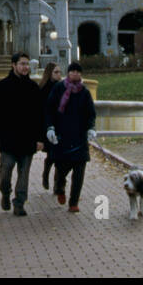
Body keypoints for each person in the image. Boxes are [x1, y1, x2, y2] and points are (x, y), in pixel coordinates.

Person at [0, 52, 44, 216]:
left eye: (27, 64)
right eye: (22, 64)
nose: (25, 67)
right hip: (8, 139)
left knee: (24, 174)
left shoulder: (33, 88)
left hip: (28, 139)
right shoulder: (2, 86)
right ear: (13, 65)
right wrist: (0, 132)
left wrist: (40, 138)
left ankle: (19, 203)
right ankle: (5, 193)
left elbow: (40, 115)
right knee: (5, 171)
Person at [45, 62, 97, 213]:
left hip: (80, 138)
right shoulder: (59, 89)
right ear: (68, 73)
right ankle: (60, 187)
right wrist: (50, 127)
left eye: (78, 72)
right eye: (72, 71)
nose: (75, 74)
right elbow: (49, 109)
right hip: (62, 136)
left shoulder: (85, 93)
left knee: (79, 171)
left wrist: (91, 128)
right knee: (61, 169)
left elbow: (90, 113)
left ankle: (73, 202)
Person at [37, 62, 62, 189]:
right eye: (56, 72)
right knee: (52, 155)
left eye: (59, 72)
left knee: (60, 157)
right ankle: (46, 174)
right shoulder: (43, 88)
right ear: (49, 73)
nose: (58, 75)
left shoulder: (63, 87)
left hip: (60, 126)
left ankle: (58, 184)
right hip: (47, 125)